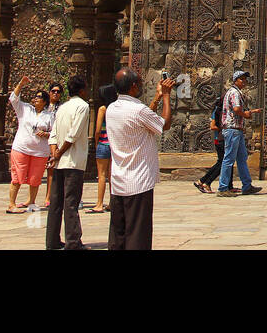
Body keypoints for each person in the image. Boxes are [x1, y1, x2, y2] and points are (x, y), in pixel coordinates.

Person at [105, 68, 175, 250]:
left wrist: (157, 97)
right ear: (134, 87)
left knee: (118, 234)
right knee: (138, 235)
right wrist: (166, 96)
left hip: (118, 181)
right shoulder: (138, 110)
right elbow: (164, 124)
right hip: (138, 182)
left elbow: (142, 120)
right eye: (141, 84)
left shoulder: (111, 109)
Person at [46, 76, 91, 250]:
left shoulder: (63, 107)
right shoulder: (82, 106)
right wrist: (58, 153)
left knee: (56, 204)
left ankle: (52, 241)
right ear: (81, 90)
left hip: (59, 162)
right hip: (73, 161)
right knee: (71, 202)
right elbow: (73, 134)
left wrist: (54, 155)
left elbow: (53, 135)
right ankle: (73, 242)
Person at [6, 76, 54, 213]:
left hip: (39, 151)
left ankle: (31, 202)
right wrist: (21, 84)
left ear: (44, 101)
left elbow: (54, 132)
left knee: (35, 178)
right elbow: (13, 99)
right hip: (22, 148)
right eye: (35, 96)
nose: (36, 98)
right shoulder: (25, 109)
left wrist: (46, 135)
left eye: (39, 97)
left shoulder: (49, 116)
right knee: (17, 177)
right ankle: (11, 204)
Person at [218, 70, 263, 196]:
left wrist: (251, 112)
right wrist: (245, 114)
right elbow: (237, 109)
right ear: (235, 80)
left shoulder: (234, 92)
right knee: (229, 159)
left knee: (242, 158)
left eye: (245, 79)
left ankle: (247, 185)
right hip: (232, 129)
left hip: (236, 129)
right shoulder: (234, 93)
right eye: (241, 79)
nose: (244, 81)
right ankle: (223, 188)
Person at [88, 84, 116, 214]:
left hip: (103, 143)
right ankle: (112, 202)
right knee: (111, 175)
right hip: (114, 144)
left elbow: (98, 129)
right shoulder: (116, 108)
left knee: (101, 175)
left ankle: (99, 203)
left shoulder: (103, 109)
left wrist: (96, 141)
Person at [40, 81, 64, 208]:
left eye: (58, 91)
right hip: (42, 142)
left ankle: (50, 196)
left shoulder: (62, 108)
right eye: (53, 91)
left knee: (52, 170)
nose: (55, 93)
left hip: (55, 141)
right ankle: (42, 196)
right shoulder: (44, 107)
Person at [194, 96, 225, 194]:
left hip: (221, 140)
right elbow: (212, 126)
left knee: (222, 162)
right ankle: (206, 181)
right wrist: (225, 127)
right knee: (222, 163)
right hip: (219, 140)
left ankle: (202, 181)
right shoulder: (217, 111)